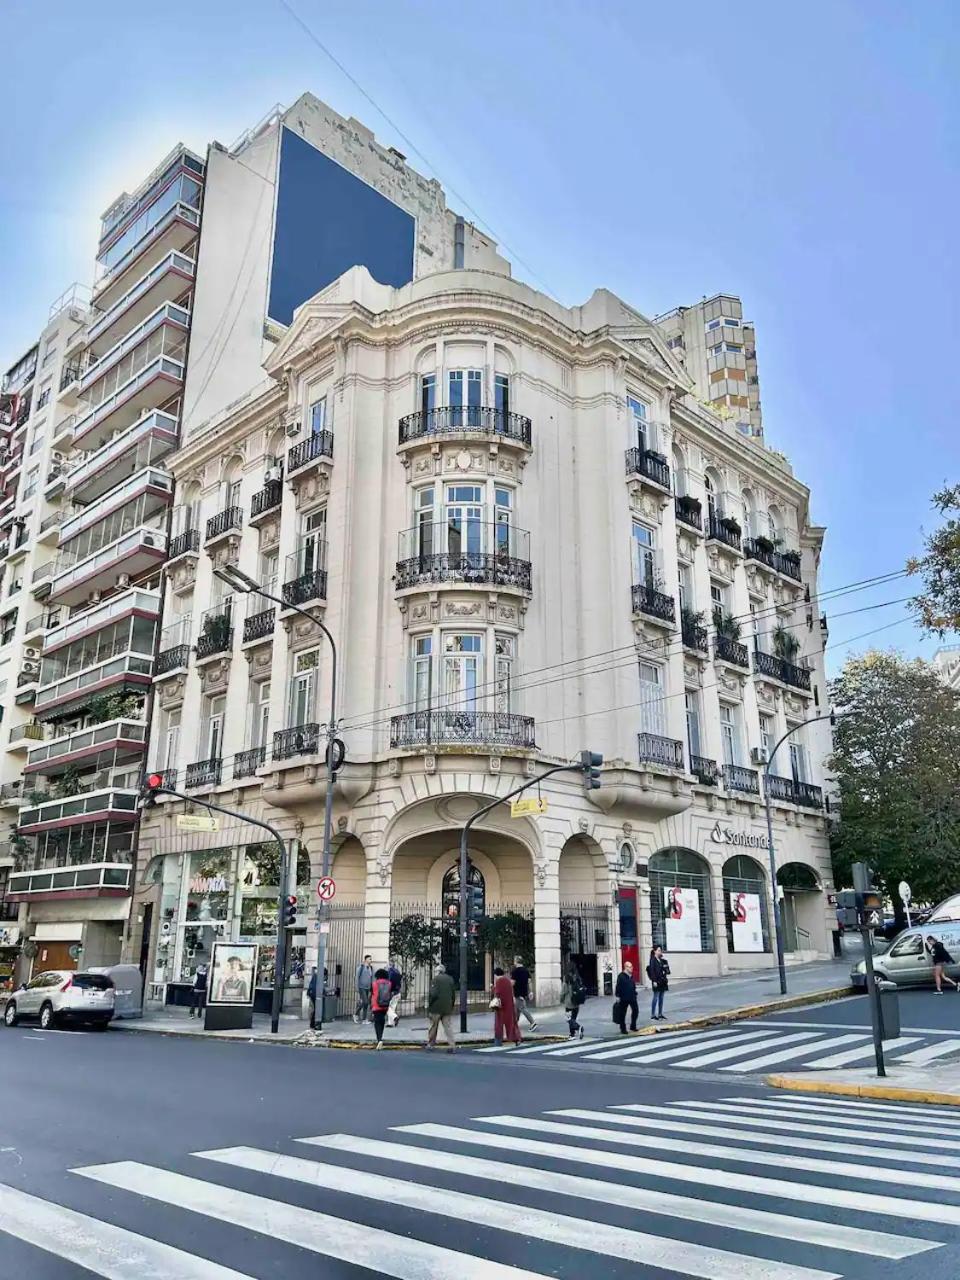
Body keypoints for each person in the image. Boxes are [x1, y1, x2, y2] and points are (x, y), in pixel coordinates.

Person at [425, 963, 458, 1052]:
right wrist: (451, 1005)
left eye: (436, 971)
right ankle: (452, 1045)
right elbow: (453, 995)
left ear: (438, 971)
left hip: (436, 1007)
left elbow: (433, 994)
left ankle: (431, 1044)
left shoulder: (435, 980)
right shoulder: (450, 979)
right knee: (448, 1027)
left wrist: (429, 1005)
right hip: (447, 1008)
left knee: (433, 1026)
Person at [491, 966, 522, 1046]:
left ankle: (498, 1041)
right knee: (511, 1023)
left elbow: (497, 993)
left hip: (501, 1006)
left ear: (496, 975)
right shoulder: (508, 981)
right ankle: (516, 1038)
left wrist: (492, 988)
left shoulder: (498, 981)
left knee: (498, 1024)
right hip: (510, 1005)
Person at [510, 954, 538, 1031]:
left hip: (517, 993)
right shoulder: (526, 971)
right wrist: (531, 992)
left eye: (514, 961)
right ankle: (514, 1025)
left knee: (522, 1008)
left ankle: (533, 1023)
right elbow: (529, 982)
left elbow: (512, 983)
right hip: (524, 992)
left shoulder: (515, 971)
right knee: (517, 1010)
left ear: (516, 962)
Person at [560, 962, 585, 1038]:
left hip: (569, 1002)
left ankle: (578, 1028)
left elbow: (564, 991)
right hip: (576, 1002)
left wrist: (561, 999)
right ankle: (572, 1034)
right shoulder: (577, 977)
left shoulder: (567, 978)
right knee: (573, 1019)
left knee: (568, 1019)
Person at [370, 967, 393, 1049]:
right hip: (385, 1005)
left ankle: (379, 1040)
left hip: (376, 1006)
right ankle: (381, 1037)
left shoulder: (374, 983)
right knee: (382, 1021)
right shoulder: (389, 983)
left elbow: (371, 993)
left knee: (377, 1023)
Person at [615, 960, 639, 1034]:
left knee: (635, 1011)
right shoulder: (621, 976)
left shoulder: (631, 976)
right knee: (623, 1013)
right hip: (624, 997)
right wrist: (618, 996)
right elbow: (618, 987)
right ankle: (623, 1028)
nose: (632, 968)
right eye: (630, 967)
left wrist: (635, 993)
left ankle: (633, 1026)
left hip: (632, 996)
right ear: (625, 967)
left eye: (632, 966)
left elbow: (633, 985)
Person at [647, 945, 670, 1020]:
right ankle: (653, 1014)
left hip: (662, 981)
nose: (660, 952)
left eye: (660, 950)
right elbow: (652, 971)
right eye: (659, 950)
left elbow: (665, 969)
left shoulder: (661, 960)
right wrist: (654, 981)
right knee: (656, 997)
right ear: (655, 951)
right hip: (656, 981)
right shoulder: (652, 960)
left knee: (661, 998)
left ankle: (660, 1014)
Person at [354, 955, 373, 1023]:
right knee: (365, 1002)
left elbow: (371, 978)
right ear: (366, 960)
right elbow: (357, 978)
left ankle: (364, 1019)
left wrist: (371, 987)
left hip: (368, 987)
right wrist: (356, 987)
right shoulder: (361, 967)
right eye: (369, 959)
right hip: (362, 987)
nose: (371, 960)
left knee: (365, 1003)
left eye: (371, 959)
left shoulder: (371, 968)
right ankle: (356, 1014)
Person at [386, 957, 404, 1026]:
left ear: (390, 963)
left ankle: (395, 1017)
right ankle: (390, 1023)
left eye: (388, 962)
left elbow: (389, 983)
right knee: (392, 1007)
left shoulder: (390, 972)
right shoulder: (397, 971)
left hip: (392, 992)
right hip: (397, 992)